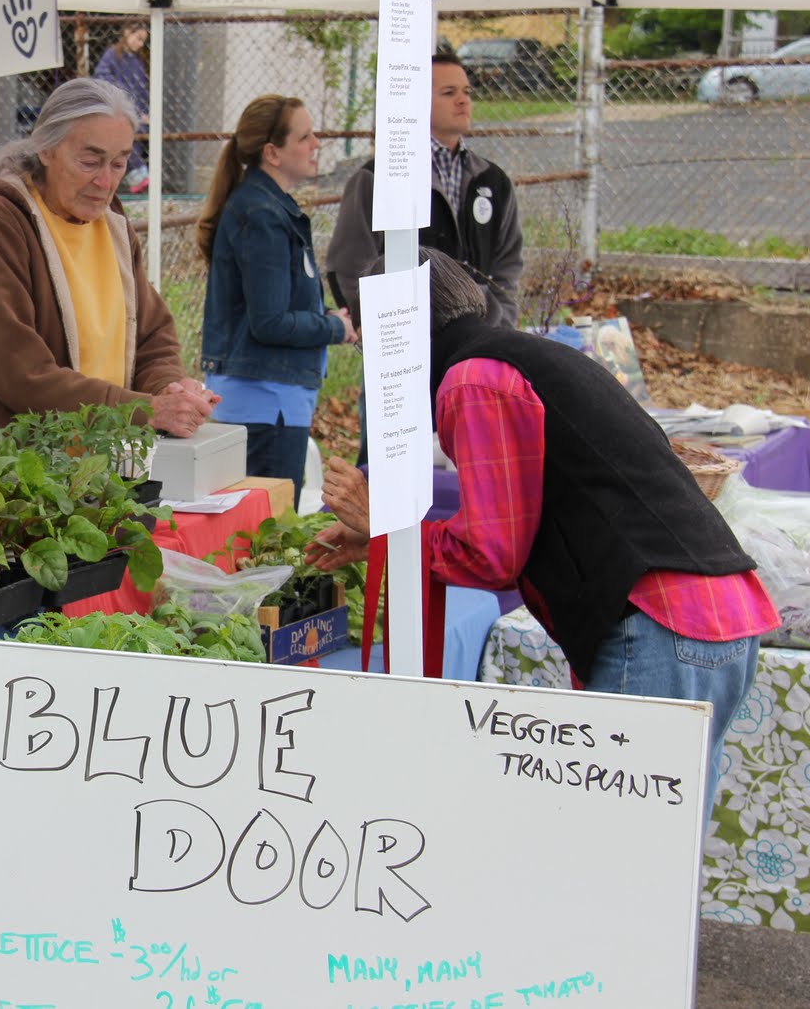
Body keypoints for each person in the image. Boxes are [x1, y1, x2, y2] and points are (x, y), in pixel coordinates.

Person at [303, 248, 778, 817]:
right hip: (718, 614)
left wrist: (386, 525)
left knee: (625, 855)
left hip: (662, 620)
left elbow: (490, 554)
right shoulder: (526, 357)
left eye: (365, 341)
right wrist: (382, 543)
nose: (365, 360)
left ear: (397, 334)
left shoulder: (473, 381)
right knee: (659, 865)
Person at [0, 77, 216, 450]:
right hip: (3, 472)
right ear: (46, 149)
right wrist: (145, 410)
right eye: (89, 161)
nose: (105, 180)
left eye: (119, 163)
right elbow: (21, 372)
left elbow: (152, 337)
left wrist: (170, 388)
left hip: (97, 463)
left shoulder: (111, 224)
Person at [195, 94, 358, 505]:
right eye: (304, 136)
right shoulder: (263, 214)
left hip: (273, 400)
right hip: (264, 403)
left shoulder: (271, 207)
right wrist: (336, 327)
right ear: (272, 152)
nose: (316, 144)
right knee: (263, 538)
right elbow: (269, 321)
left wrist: (324, 317)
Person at [325, 50, 524, 330]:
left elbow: (509, 261)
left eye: (467, 91)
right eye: (448, 92)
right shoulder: (379, 176)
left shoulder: (492, 180)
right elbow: (349, 263)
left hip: (479, 338)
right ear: (416, 102)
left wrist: (501, 321)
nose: (463, 99)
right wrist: (378, 328)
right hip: (407, 342)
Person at [92, 23, 151, 194]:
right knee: (124, 145)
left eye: (143, 41)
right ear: (127, 33)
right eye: (138, 38)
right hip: (119, 108)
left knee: (134, 144)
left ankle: (137, 180)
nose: (140, 44)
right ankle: (139, 177)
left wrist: (145, 112)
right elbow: (101, 76)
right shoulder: (113, 55)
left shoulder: (138, 61)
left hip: (137, 112)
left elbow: (142, 89)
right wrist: (123, 91)